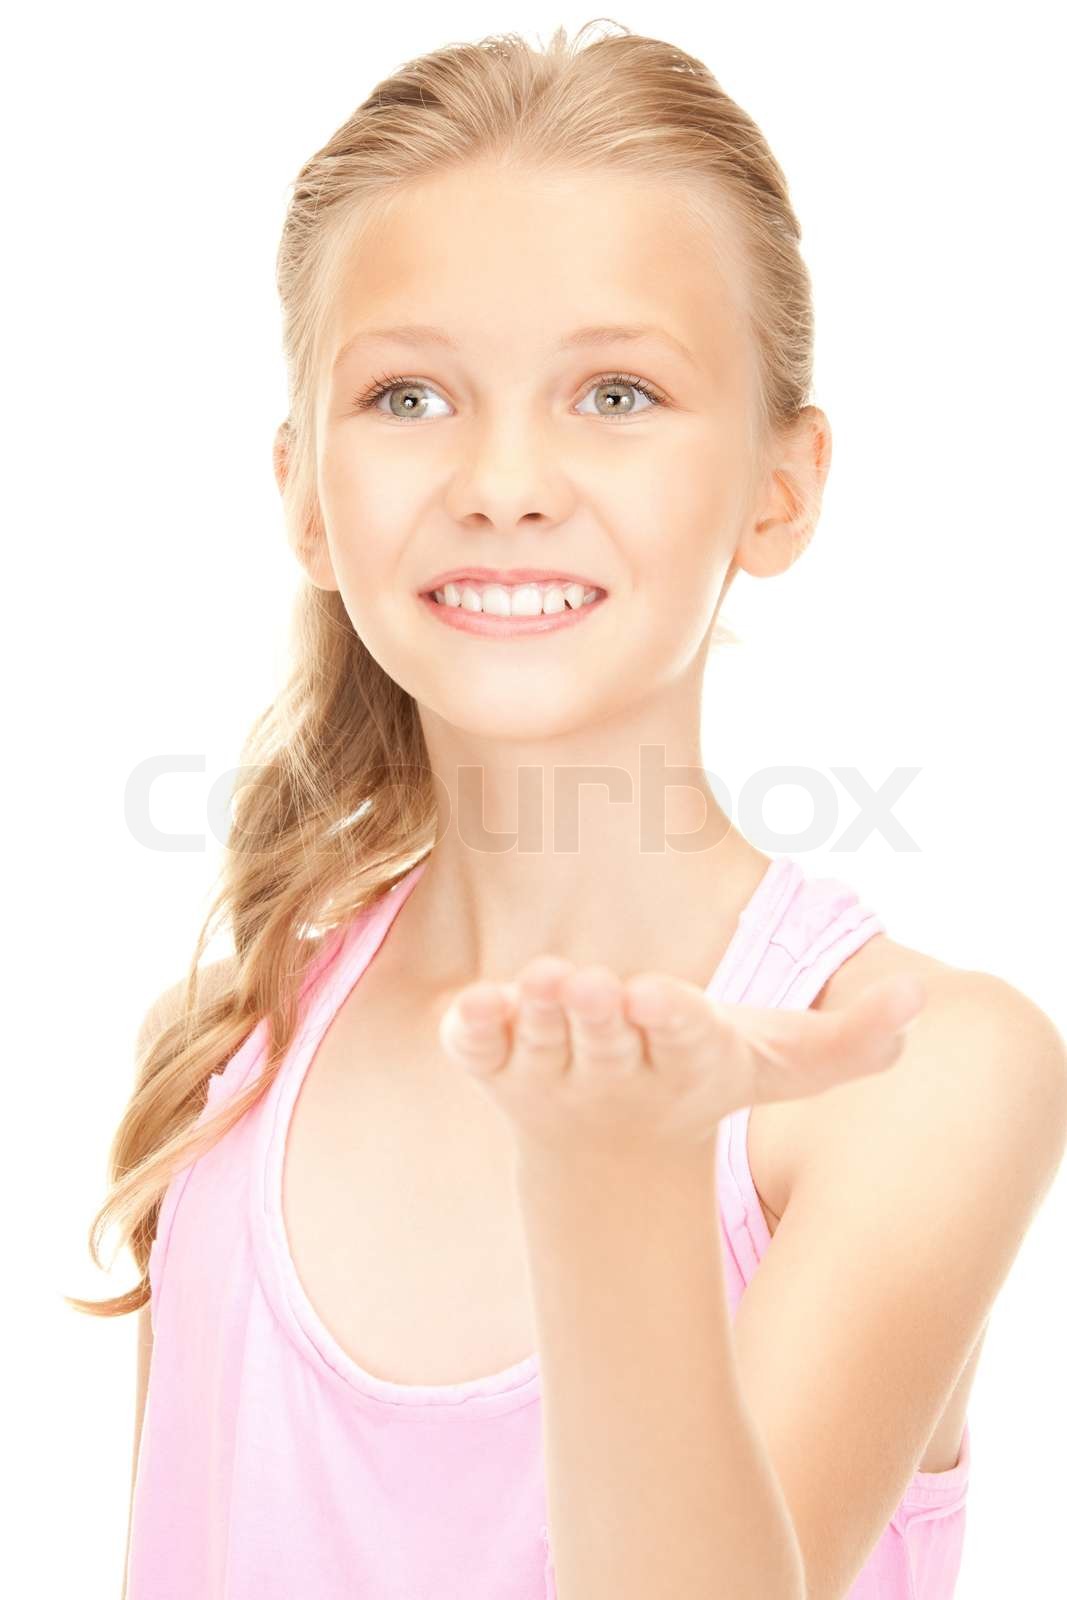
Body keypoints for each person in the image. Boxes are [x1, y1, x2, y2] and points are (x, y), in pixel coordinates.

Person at [68, 20, 1067, 1600]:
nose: (504, 476)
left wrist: (619, 1178)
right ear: (303, 495)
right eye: (407, 397)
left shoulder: (913, 1074)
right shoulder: (226, 1053)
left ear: (779, 487)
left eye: (616, 391)